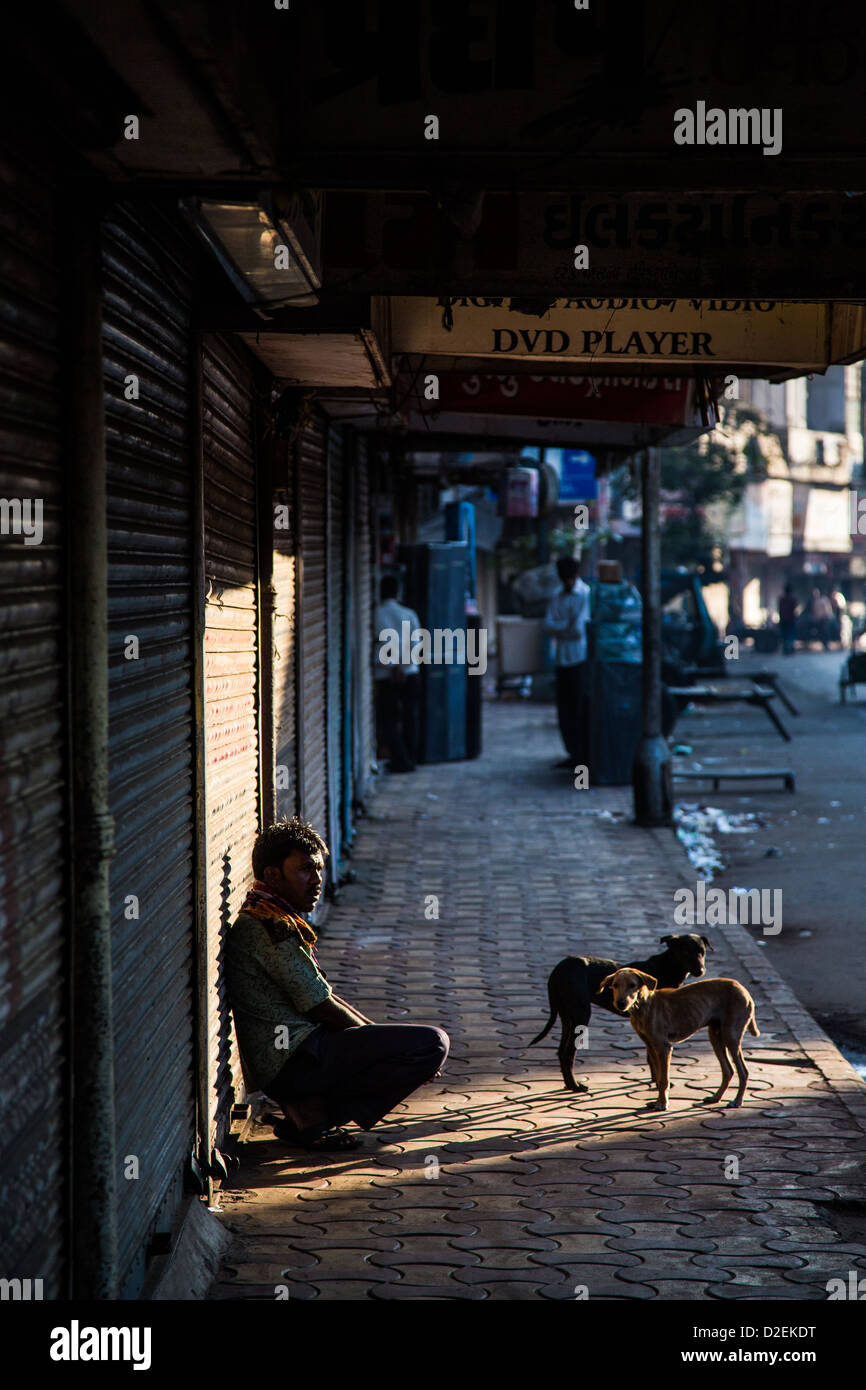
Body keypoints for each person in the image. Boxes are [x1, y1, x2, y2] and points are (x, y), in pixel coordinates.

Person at [225, 817, 449, 1151]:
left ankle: (308, 1115)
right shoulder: (268, 926)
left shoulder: (272, 915)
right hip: (294, 1063)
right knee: (433, 1043)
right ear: (272, 874)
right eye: (304, 870)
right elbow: (320, 1006)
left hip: (299, 1055)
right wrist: (381, 1046)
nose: (316, 881)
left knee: (411, 1044)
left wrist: (376, 1038)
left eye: (317, 869)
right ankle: (313, 1117)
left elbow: (323, 996)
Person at [543, 554, 591, 770]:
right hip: (562, 659)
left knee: (579, 708)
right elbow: (547, 626)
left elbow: (578, 629)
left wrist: (560, 628)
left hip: (580, 659)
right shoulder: (557, 596)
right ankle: (572, 753)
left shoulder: (585, 594)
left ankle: (582, 754)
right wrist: (565, 626)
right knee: (564, 710)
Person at [374, 574, 421, 772]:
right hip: (409, 672)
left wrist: (393, 665)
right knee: (410, 716)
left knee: (389, 719)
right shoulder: (408, 613)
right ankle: (410, 758)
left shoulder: (376, 614)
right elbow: (415, 643)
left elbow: (380, 641)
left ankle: (400, 760)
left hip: (385, 674)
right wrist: (403, 665)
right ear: (397, 592)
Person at [778, 583, 798, 656]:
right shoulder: (793, 599)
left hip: (783, 619)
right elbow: (794, 610)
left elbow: (780, 610)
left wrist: (781, 618)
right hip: (791, 619)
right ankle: (790, 648)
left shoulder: (781, 599)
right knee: (791, 634)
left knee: (784, 635)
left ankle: (785, 649)